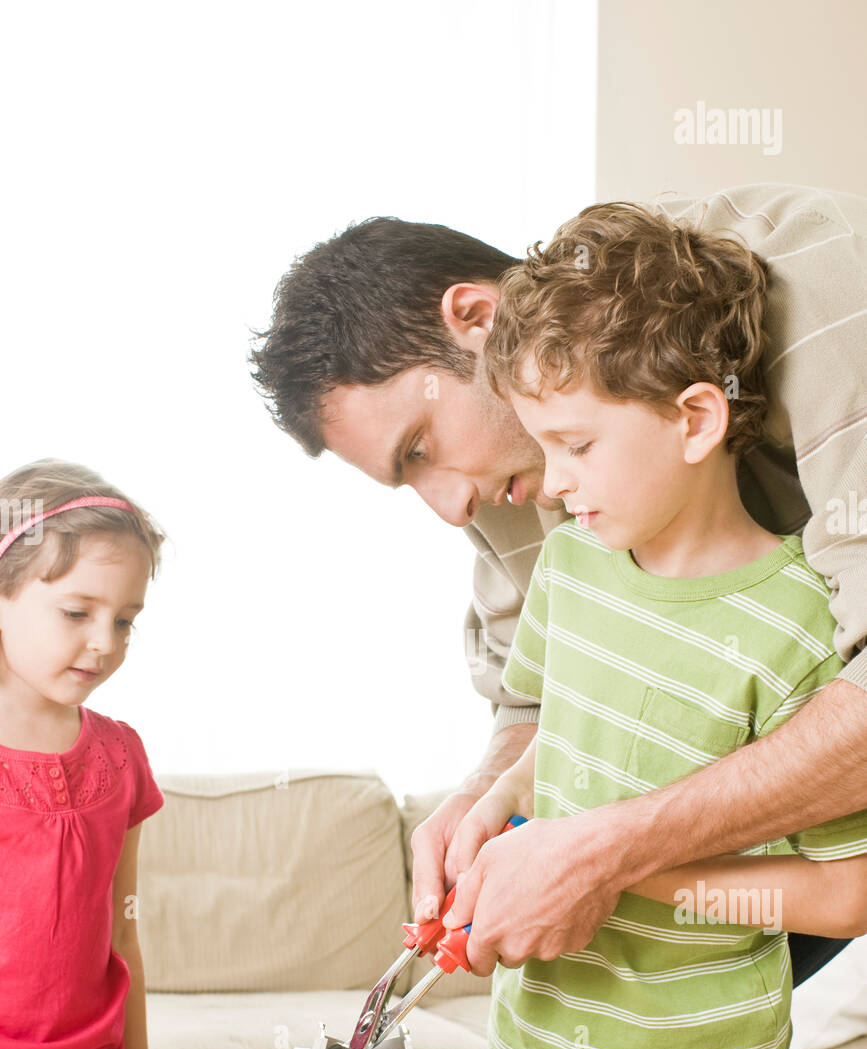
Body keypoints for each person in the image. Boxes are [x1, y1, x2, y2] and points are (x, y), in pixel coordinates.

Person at [250, 184, 867, 991]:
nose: (448, 506)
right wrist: (486, 796)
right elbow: (531, 697)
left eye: (420, 450)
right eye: (404, 482)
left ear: (475, 319)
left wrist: (605, 848)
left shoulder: (812, 287)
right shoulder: (501, 479)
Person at [437, 202, 867, 1049]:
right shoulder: (572, 571)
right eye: (541, 447)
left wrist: (633, 869)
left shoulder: (799, 624)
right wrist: (494, 810)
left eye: (576, 444)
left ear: (695, 418)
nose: (556, 482)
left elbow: (845, 896)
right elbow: (550, 734)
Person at [0, 460, 167, 1049]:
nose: (104, 642)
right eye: (77, 612)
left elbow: (122, 943)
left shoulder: (120, 756)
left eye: (125, 619)